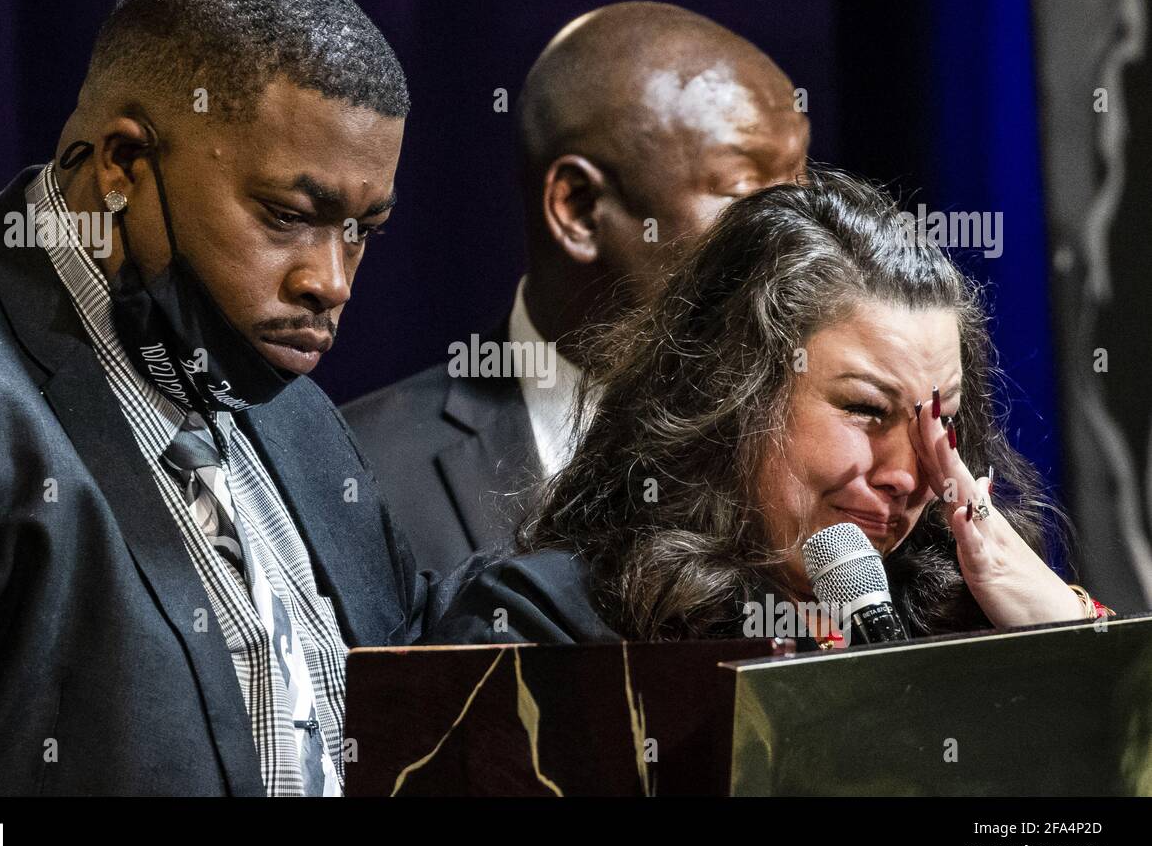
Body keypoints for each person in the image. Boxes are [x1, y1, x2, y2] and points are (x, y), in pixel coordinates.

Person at [0, 0, 423, 796]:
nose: (330, 282)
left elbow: (411, 659)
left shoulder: (272, 380)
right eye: (289, 216)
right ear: (122, 164)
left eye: (363, 230)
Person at [427, 169, 1113, 647]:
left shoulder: (970, 618)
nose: (909, 476)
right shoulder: (545, 621)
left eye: (939, 419)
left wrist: (1063, 628)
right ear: (731, 394)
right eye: (868, 411)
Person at [344, 1, 810, 577]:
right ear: (580, 209)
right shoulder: (358, 470)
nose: (802, 233)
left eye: (800, 186)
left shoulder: (835, 455)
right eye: (747, 192)